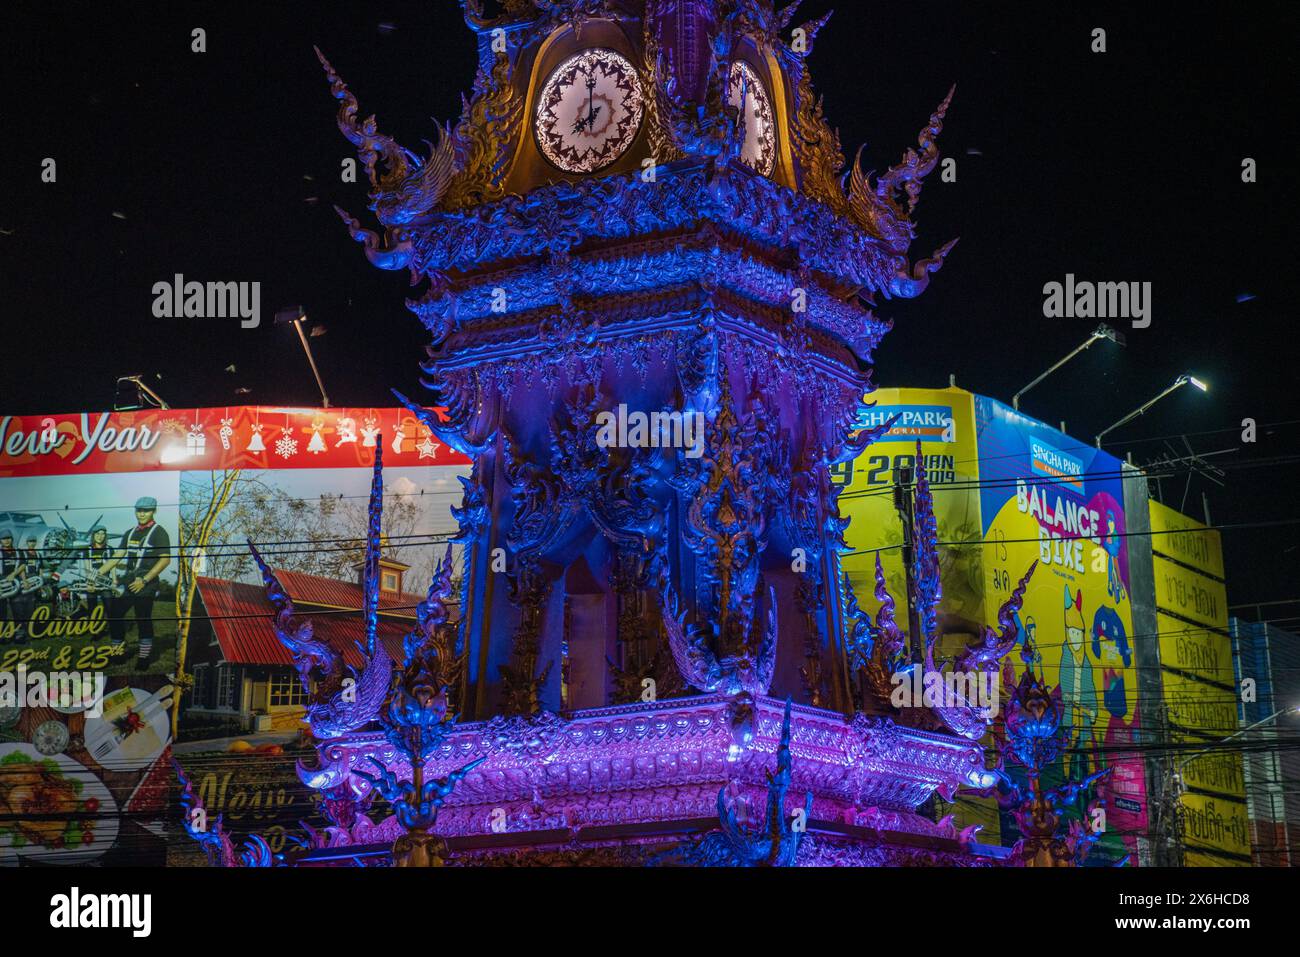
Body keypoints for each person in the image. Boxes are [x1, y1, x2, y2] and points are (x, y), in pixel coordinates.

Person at [98, 497, 171, 665]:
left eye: (146, 510)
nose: (142, 514)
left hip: (147, 582)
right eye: (139, 510)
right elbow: (118, 556)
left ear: (154, 511)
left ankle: (144, 657)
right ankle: (118, 653)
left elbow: (165, 560)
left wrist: (144, 580)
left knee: (142, 617)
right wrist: (99, 572)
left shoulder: (159, 532)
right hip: (129, 579)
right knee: (115, 614)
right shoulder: (130, 532)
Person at [0, 532, 24, 644]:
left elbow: (23, 566)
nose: (6, 540)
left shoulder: (18, 552)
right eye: (3, 538)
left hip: (15, 582)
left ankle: (19, 635)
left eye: (8, 538)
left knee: (18, 610)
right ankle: (3, 635)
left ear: (12, 539)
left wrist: (14, 575)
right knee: (1, 612)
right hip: (1, 583)